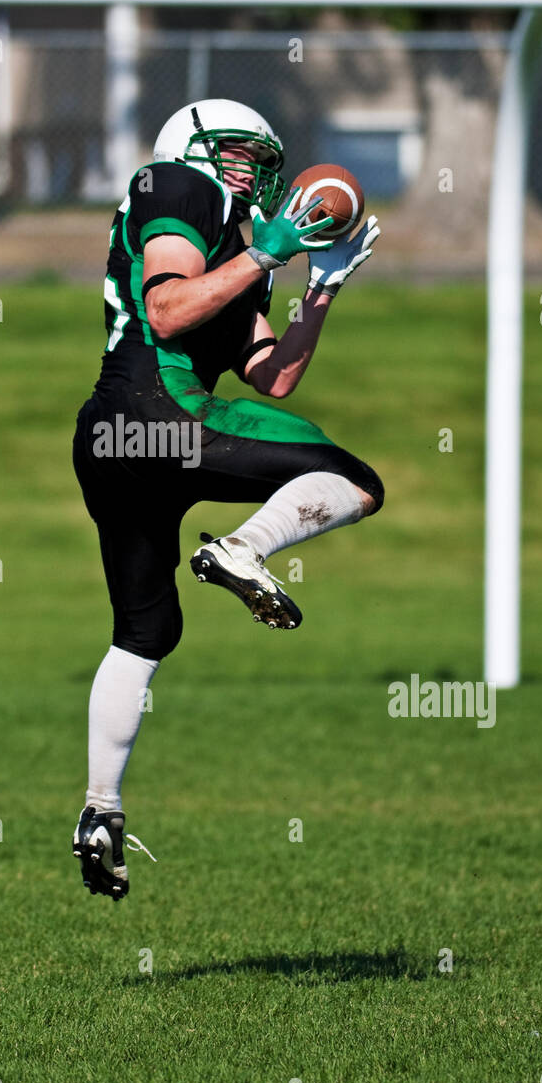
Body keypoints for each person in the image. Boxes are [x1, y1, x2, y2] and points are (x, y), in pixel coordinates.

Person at [71, 99, 383, 900]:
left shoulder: (230, 244)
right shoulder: (178, 185)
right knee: (355, 482)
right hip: (157, 414)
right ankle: (242, 548)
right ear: (196, 148)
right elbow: (168, 307)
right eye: (237, 152)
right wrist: (266, 252)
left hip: (114, 444)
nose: (251, 168)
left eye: (260, 155)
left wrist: (319, 290)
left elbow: (273, 374)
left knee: (147, 629)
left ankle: (99, 809)